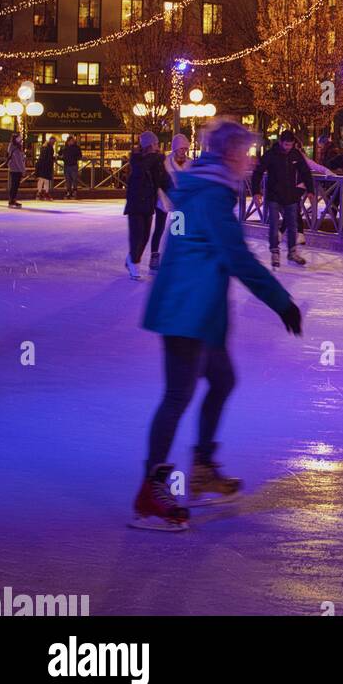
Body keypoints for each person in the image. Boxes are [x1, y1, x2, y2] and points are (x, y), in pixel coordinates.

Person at [132, 119, 302, 531]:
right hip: (186, 311)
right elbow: (237, 257)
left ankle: (204, 468)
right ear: (229, 154)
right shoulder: (210, 194)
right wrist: (282, 303)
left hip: (197, 310)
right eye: (245, 152)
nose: (249, 160)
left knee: (222, 380)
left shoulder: (205, 187)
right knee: (178, 396)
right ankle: (150, 494)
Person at [251, 130, 313, 269]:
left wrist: (310, 190)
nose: (288, 148)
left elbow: (305, 171)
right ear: (280, 142)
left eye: (290, 145)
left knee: (293, 225)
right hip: (274, 195)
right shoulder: (270, 155)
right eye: (286, 145)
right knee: (274, 224)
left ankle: (292, 252)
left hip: (290, 195)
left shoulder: (295, 154)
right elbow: (258, 172)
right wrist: (256, 191)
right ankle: (275, 252)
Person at [124, 132, 171, 280]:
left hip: (149, 204)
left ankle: (131, 258)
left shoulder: (157, 161)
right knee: (136, 235)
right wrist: (156, 158)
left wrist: (174, 191)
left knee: (144, 236)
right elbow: (140, 170)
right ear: (150, 145)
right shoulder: (137, 160)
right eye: (156, 144)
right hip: (136, 203)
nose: (158, 147)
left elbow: (164, 180)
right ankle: (134, 265)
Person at [151, 134, 190, 272]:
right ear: (174, 149)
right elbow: (159, 182)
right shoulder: (165, 162)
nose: (183, 152)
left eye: (185, 149)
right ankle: (154, 256)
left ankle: (176, 257)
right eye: (180, 149)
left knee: (178, 230)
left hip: (180, 201)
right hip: (164, 199)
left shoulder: (190, 163)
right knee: (160, 228)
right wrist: (163, 196)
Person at [5, 133, 25, 208]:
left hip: (14, 168)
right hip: (16, 169)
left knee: (15, 185)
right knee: (14, 185)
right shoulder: (14, 147)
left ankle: (13, 199)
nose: (21, 141)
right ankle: (12, 200)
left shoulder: (14, 146)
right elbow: (18, 160)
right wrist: (22, 169)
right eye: (19, 139)